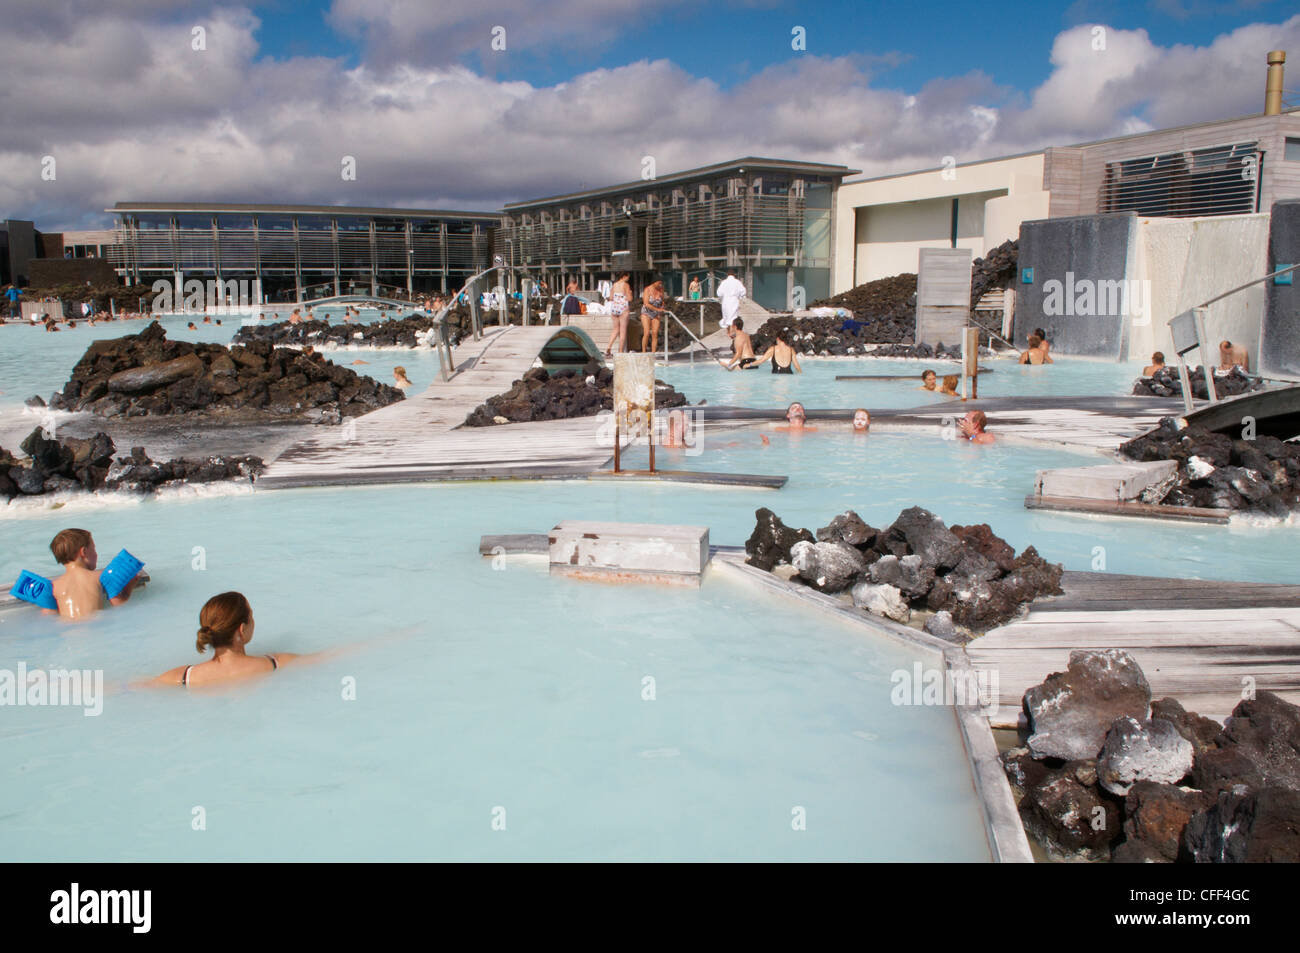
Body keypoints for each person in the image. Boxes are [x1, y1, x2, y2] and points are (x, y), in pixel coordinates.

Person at [154, 592, 303, 688]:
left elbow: (136, 687)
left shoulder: (183, 677)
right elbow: (325, 658)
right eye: (251, 615)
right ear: (242, 629)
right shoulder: (276, 664)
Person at [46, 528, 139, 621]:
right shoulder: (99, 576)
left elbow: (49, 613)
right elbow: (119, 604)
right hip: (95, 626)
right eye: (94, 549)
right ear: (84, 552)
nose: (96, 554)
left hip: (68, 631)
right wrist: (130, 586)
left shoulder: (55, 586)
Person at [606, 272, 631, 357]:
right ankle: (620, 351)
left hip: (614, 307)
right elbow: (629, 298)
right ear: (624, 276)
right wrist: (630, 293)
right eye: (628, 277)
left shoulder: (614, 285)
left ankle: (609, 346)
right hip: (623, 307)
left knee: (615, 329)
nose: (628, 279)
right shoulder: (626, 285)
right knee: (623, 331)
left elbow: (610, 298)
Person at [640, 278, 667, 353]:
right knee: (647, 332)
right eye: (659, 283)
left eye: (661, 283)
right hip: (646, 312)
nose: (660, 285)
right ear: (654, 282)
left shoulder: (661, 289)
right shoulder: (647, 290)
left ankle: (653, 353)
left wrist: (662, 308)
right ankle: (644, 352)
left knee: (655, 333)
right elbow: (646, 303)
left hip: (656, 313)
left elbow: (663, 301)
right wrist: (658, 310)